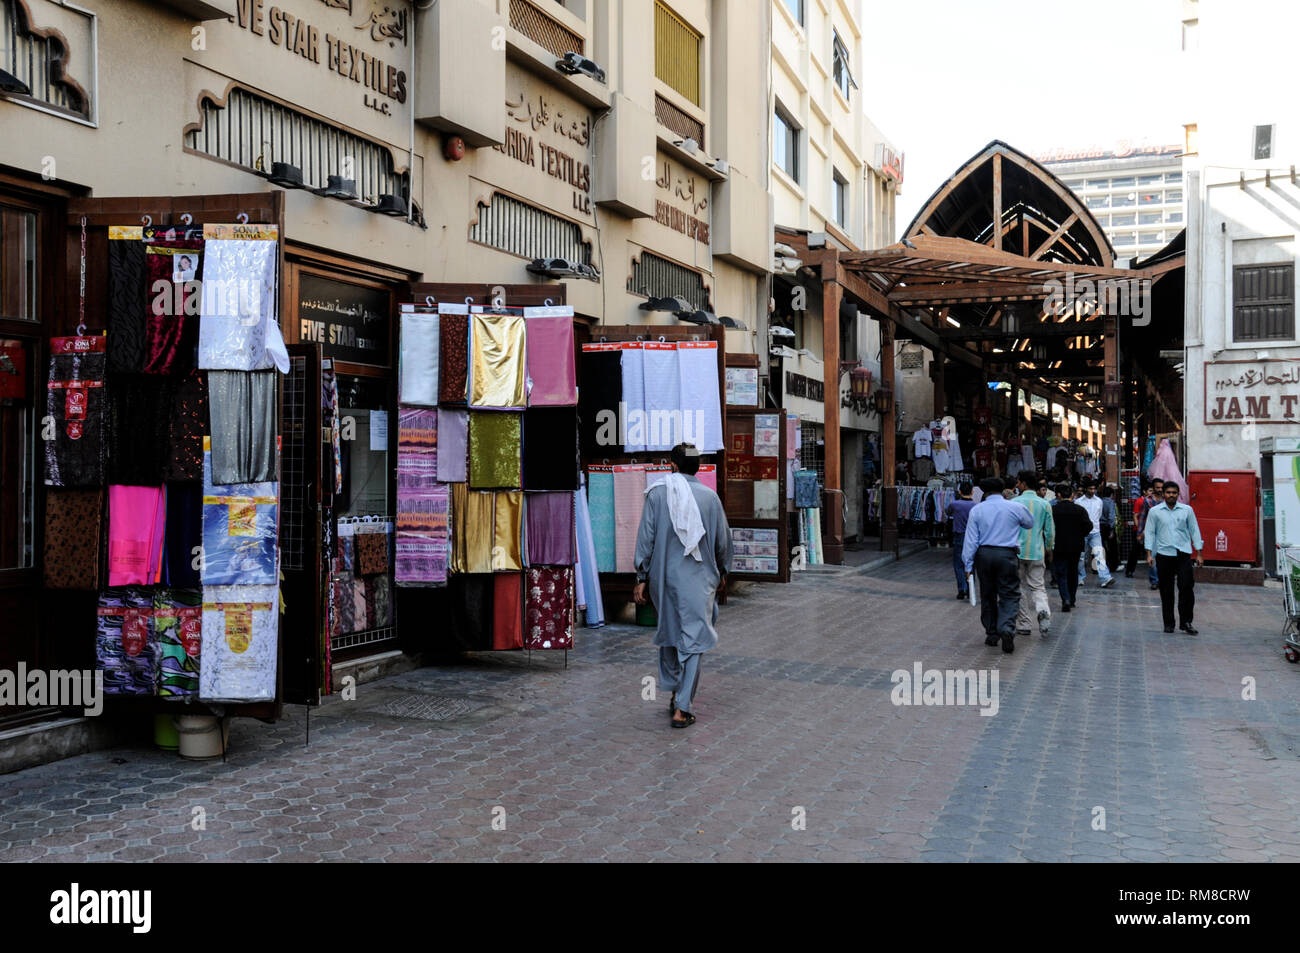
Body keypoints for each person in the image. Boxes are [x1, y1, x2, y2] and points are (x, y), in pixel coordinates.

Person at [633, 442, 733, 728]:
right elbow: (722, 542)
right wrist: (723, 572)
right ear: (698, 468)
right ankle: (682, 708)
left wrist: (641, 577)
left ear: (673, 466)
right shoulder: (710, 498)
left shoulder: (657, 494)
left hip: (662, 579)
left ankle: (676, 692)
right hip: (697, 582)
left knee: (670, 634)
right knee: (694, 640)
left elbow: (646, 538)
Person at [962, 477, 1034, 653]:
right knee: (1009, 593)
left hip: (984, 555)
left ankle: (992, 633)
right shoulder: (1015, 507)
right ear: (1002, 490)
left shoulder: (977, 510)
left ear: (984, 492)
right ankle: (1007, 628)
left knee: (988, 594)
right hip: (1007, 555)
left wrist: (968, 565)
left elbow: (971, 540)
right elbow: (1029, 522)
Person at [1145, 480, 1204, 635]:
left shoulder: (1187, 510)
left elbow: (1194, 530)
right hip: (1164, 555)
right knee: (1166, 591)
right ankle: (1169, 623)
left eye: (1174, 493)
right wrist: (1149, 554)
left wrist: (1199, 552)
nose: (1171, 495)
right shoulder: (1155, 512)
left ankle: (1186, 622)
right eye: (1168, 492)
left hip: (1183, 554)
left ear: (1178, 494)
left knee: (1186, 587)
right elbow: (1150, 533)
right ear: (1163, 494)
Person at [1013, 472, 1055, 639]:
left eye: (1018, 482)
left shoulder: (1014, 503)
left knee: (1019, 587)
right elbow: (1050, 531)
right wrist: (1049, 549)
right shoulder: (1045, 504)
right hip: (1037, 551)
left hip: (1016, 552)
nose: (1017, 485)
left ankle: (1024, 623)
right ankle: (1043, 611)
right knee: (1038, 587)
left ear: (1023, 484)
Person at [1051, 483, 1092, 611]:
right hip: (1075, 546)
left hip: (1059, 546)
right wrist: (1080, 535)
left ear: (1058, 495)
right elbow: (1088, 526)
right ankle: (1072, 598)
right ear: (1072, 495)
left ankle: (1065, 598)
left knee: (1061, 573)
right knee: (1073, 572)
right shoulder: (1080, 510)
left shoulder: (1054, 510)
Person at [1075, 481, 1115, 589]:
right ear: (1085, 489)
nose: (1092, 491)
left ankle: (1105, 578)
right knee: (1082, 557)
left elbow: (1099, 515)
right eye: (1090, 489)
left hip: (1095, 532)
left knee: (1099, 554)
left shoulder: (1099, 501)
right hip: (1082, 532)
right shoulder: (1078, 502)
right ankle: (1080, 578)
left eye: (1094, 489)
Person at [1126, 478, 1163, 589]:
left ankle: (1162, 578)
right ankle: (1154, 580)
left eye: (1162, 487)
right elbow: (1141, 518)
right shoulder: (1147, 501)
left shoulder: (1166, 500)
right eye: (1157, 488)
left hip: (1164, 533)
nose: (1160, 490)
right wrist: (1140, 532)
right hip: (1151, 533)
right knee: (1152, 556)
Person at [946, 482, 977, 600]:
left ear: (959, 492)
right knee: (971, 564)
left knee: (959, 564)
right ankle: (970, 589)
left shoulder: (955, 504)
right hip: (972, 537)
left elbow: (948, 512)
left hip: (959, 536)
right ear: (972, 492)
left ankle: (961, 589)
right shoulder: (976, 506)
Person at [1099, 485, 1119, 571]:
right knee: (1112, 547)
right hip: (1108, 526)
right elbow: (1111, 517)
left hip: (1100, 526)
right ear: (1112, 494)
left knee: (1101, 547)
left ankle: (1100, 566)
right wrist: (1111, 530)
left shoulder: (1099, 501)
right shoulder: (1111, 503)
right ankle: (1113, 566)